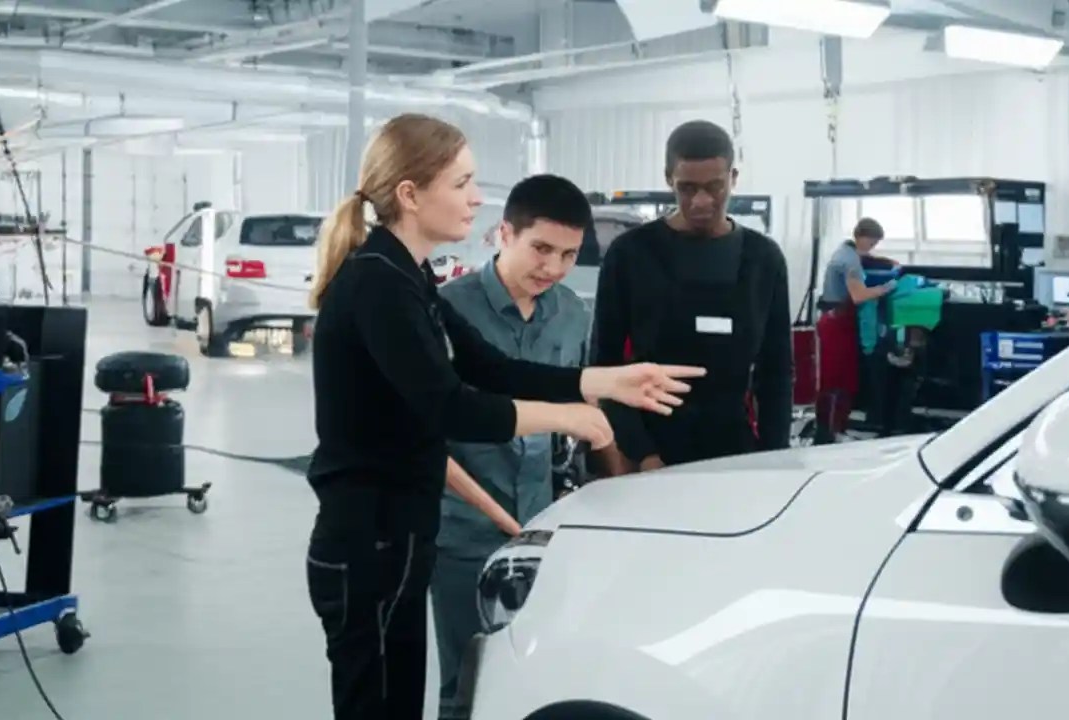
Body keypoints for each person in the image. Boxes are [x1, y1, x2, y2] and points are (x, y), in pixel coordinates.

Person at [304, 113, 705, 720]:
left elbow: (492, 367)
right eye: (462, 182)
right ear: (410, 195)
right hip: (370, 543)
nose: (476, 197)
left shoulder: (409, 277)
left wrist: (605, 381)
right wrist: (567, 419)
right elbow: (452, 405)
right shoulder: (377, 284)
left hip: (400, 540)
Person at [431, 174, 593, 719]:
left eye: (568, 254)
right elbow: (429, 433)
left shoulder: (573, 314)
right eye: (541, 249)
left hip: (544, 533)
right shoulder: (446, 311)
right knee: (465, 683)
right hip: (461, 532)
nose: (552, 268)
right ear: (504, 233)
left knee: (533, 675)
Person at [591, 119, 792, 473]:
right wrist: (640, 451)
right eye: (687, 188)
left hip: (735, 451)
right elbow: (604, 365)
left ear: (733, 178)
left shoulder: (763, 259)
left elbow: (775, 372)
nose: (701, 201)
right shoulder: (631, 254)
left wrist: (774, 457)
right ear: (668, 178)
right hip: (649, 452)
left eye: (714, 186)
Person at [814, 218, 897, 443]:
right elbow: (859, 296)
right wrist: (886, 288)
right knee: (839, 380)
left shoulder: (844, 250)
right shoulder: (850, 262)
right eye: (872, 243)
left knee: (839, 378)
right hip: (837, 324)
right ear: (864, 237)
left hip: (833, 321)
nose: (872, 248)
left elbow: (864, 258)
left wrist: (886, 261)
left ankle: (833, 429)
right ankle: (830, 433)